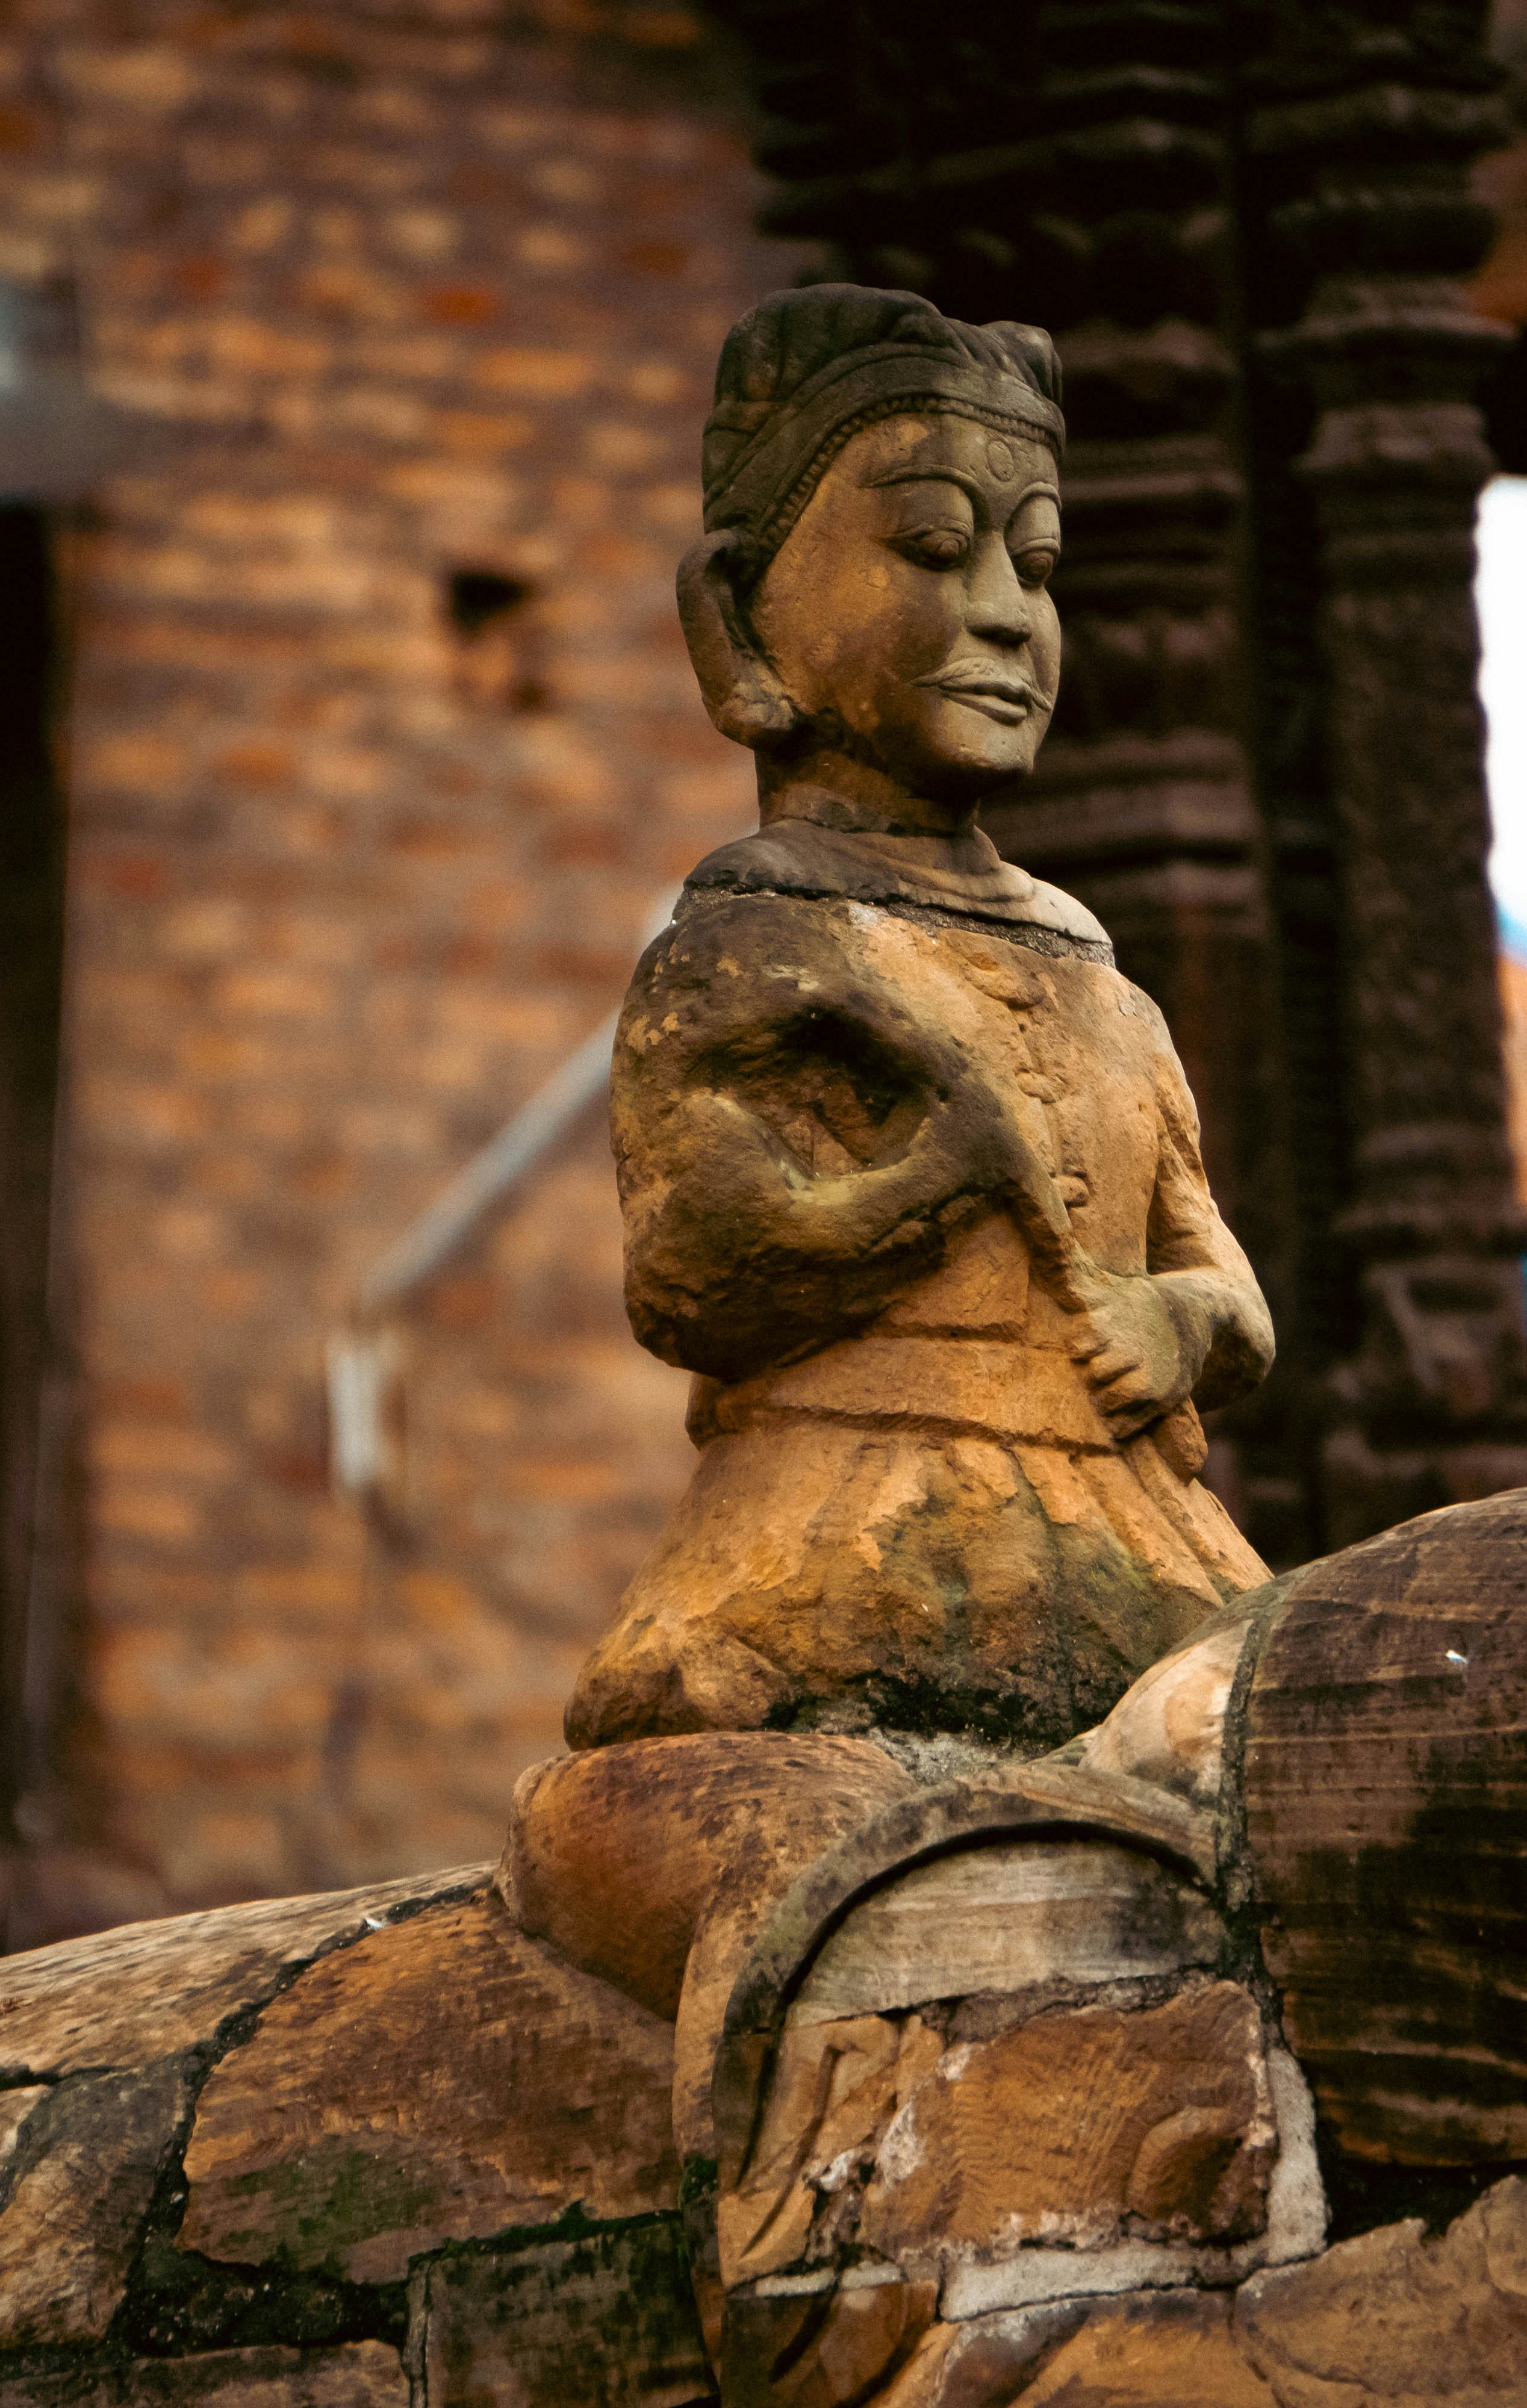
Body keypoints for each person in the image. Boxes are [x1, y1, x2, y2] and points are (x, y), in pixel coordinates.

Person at [564, 285, 1274, 1754]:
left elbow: (1233, 1294)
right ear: (739, 614)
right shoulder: (752, 947)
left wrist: (1171, 1318)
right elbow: (693, 1274)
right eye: (936, 549)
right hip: (843, 1520)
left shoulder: (1096, 973)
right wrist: (925, 1177)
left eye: (1039, 563)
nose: (1008, 613)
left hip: (1143, 1527)